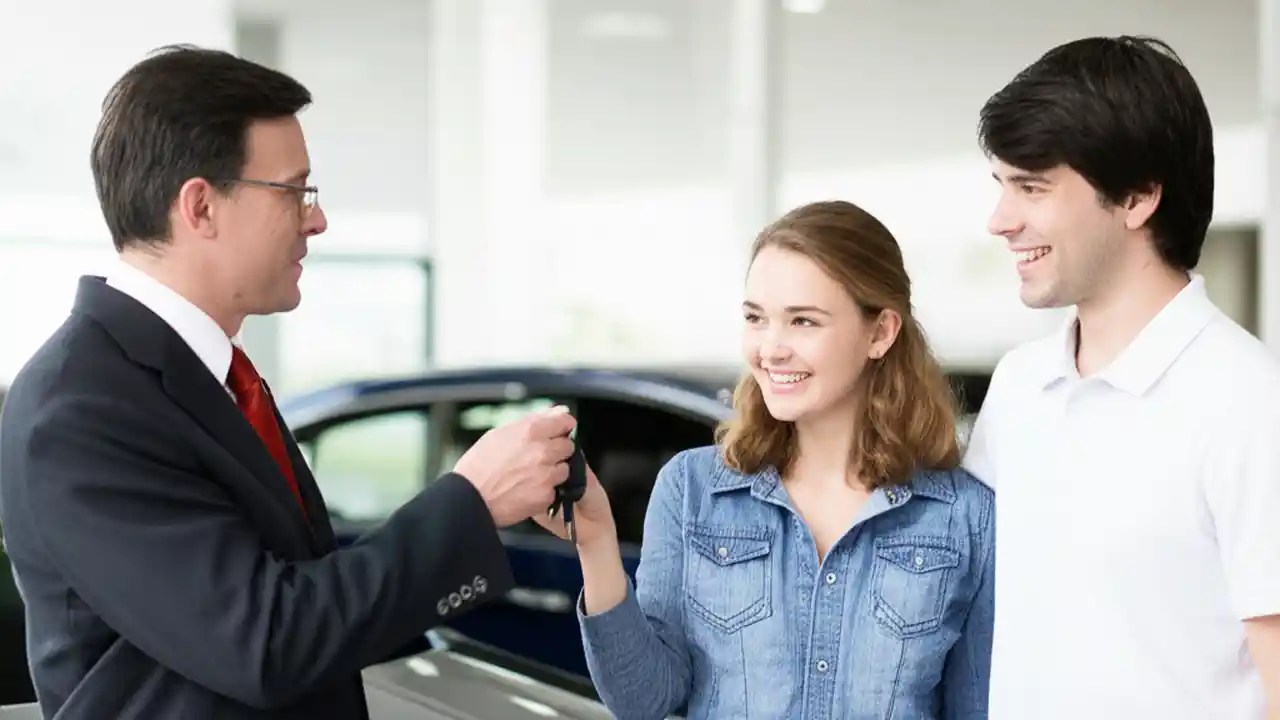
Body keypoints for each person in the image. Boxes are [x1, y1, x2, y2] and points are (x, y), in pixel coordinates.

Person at [0, 46, 578, 719]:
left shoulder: (212, 377)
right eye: (295, 190)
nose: (317, 218)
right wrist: (471, 501)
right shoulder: (79, 406)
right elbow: (267, 641)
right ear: (201, 207)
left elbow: (300, 600)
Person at [536, 200, 996, 719]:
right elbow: (644, 701)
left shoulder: (965, 516)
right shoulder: (692, 490)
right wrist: (596, 543)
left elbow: (976, 709)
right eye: (756, 318)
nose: (770, 349)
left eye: (803, 321)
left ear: (880, 332)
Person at [964, 35, 1280, 718]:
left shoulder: (1249, 401)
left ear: (1138, 197)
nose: (1000, 220)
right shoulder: (1019, 386)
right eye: (1002, 186)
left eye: (1032, 187)